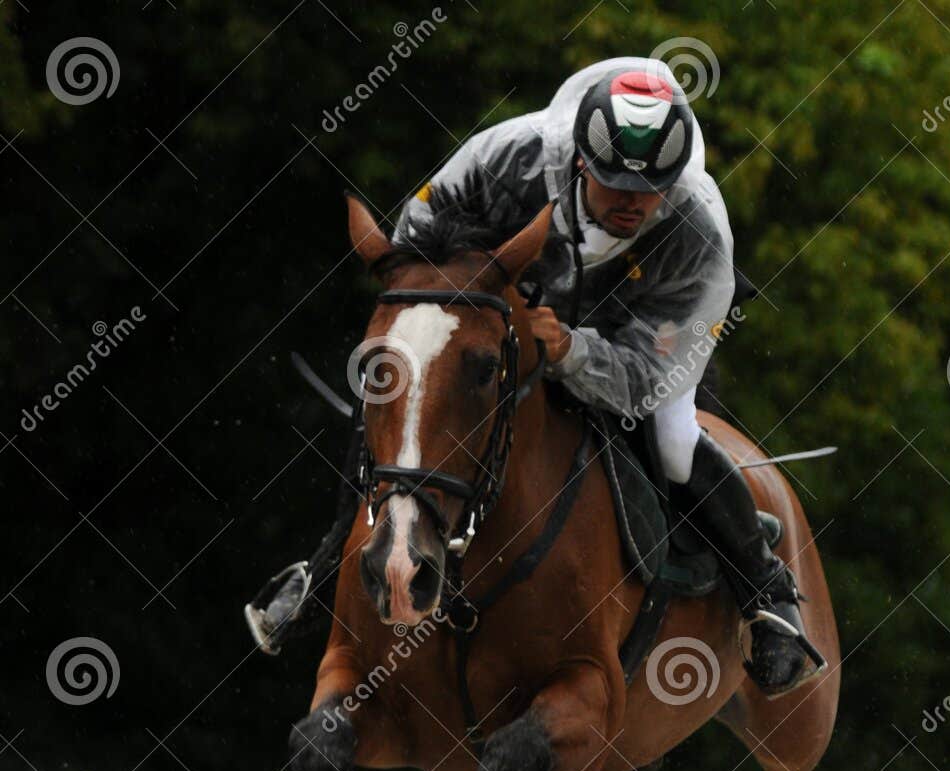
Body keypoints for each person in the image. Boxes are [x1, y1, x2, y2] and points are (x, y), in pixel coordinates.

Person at [248, 57, 823, 695]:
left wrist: (573, 352)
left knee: (673, 440)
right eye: (614, 185)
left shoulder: (697, 229)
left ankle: (768, 594)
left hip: (637, 336)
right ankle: (324, 566)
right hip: (500, 309)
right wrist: (491, 316)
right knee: (404, 402)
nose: (632, 204)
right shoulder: (505, 157)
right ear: (581, 160)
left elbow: (648, 376)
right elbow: (417, 246)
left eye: (648, 191)